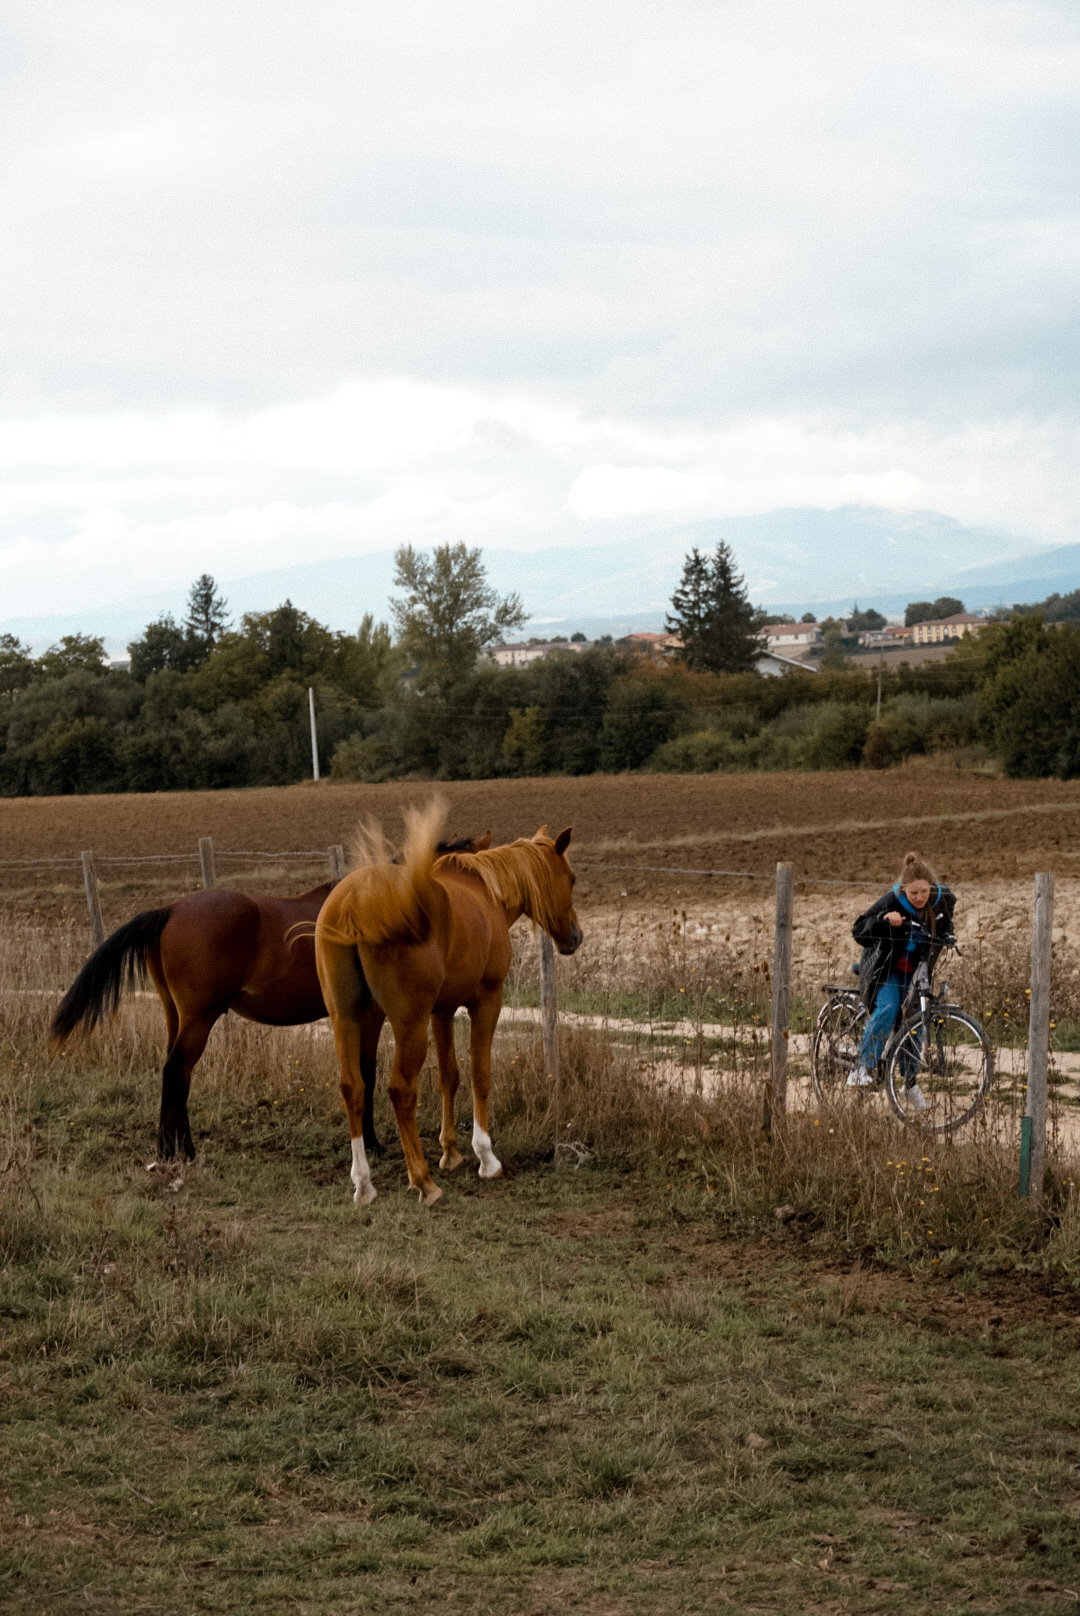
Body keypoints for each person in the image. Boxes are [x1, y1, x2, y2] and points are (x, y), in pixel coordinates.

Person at [849, 852, 956, 1104]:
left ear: (931, 888)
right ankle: (861, 1068)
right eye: (913, 894)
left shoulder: (942, 900)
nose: (919, 898)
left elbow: (946, 922)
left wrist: (949, 935)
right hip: (886, 969)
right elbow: (859, 929)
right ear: (904, 891)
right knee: (888, 1008)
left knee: (915, 1022)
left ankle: (909, 1084)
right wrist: (884, 920)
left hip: (916, 972)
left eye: (924, 892)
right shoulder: (891, 901)